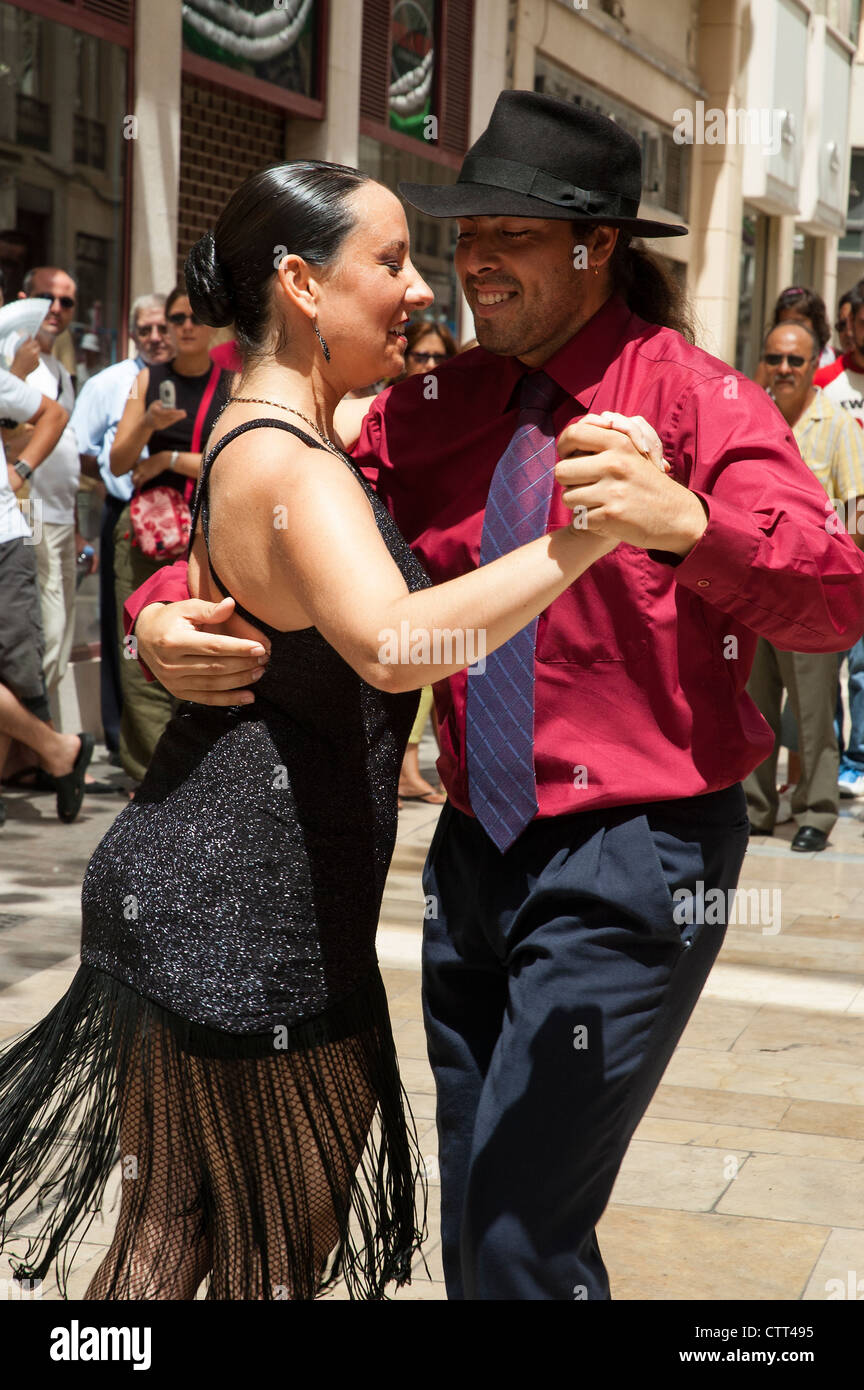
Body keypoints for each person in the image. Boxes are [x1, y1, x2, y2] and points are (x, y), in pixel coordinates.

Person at [123, 94, 864, 1301]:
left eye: (508, 235)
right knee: (482, 1220)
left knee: (518, 1224)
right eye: (461, 235)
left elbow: (836, 600)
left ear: (598, 247)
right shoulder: (433, 408)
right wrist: (156, 609)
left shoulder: (696, 402)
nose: (469, 265)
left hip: (637, 854)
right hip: (473, 857)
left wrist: (692, 529)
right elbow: (275, 511)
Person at [0, 158, 625, 1301]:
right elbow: (394, 643)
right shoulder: (294, 458)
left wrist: (152, 629)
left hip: (207, 879)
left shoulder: (267, 429)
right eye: (389, 262)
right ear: (299, 281)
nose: (422, 288)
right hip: (251, 909)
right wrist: (581, 541)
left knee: (170, 1233)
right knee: (267, 1254)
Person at [745, 322, 864, 850]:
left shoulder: (837, 424)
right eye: (775, 359)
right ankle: (756, 809)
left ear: (813, 361)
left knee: (815, 710)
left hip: (811, 594)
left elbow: (858, 507)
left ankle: (816, 811)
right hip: (751, 591)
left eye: (795, 360)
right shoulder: (750, 417)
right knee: (754, 704)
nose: (784, 369)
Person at [109, 285, 228, 784]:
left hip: (207, 532)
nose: (184, 326)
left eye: (194, 316)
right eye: (176, 317)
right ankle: (147, 774)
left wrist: (167, 458)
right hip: (144, 531)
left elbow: (233, 459)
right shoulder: (146, 380)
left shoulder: (235, 384)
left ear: (214, 324)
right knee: (137, 644)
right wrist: (147, 429)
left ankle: (192, 771)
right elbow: (117, 462)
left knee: (198, 643)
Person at [70, 295, 172, 756]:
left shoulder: (192, 382)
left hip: (183, 518)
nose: (155, 337)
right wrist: (112, 479)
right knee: (124, 631)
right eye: (145, 329)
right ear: (132, 334)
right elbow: (77, 450)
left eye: (162, 328)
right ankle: (119, 738)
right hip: (126, 515)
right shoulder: (108, 383)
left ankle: (171, 742)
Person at [0, 364, 93, 826]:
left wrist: (17, 471)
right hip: (30, 523)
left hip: (17, 527)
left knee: (27, 661)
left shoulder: (29, 367)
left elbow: (49, 420)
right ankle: (55, 749)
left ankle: (47, 753)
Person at [0, 267, 88, 704]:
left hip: (57, 515)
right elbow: (8, 432)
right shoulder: (9, 353)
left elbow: (64, 446)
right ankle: (38, 751)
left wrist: (73, 523)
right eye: (45, 297)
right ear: (23, 298)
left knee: (59, 636)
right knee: (43, 636)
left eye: (66, 301)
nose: (55, 308)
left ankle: (35, 754)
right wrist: (20, 473)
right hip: (24, 511)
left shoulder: (60, 368)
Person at [395, 318, 458, 806]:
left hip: (437, 551)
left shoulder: (452, 413)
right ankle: (403, 769)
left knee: (433, 663)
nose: (432, 366)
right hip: (394, 548)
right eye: (423, 356)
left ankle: (411, 767)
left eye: (440, 358)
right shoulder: (384, 410)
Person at [816, 281, 864, 796]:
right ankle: (823, 759)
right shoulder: (827, 381)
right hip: (837, 542)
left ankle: (859, 759)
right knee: (828, 660)